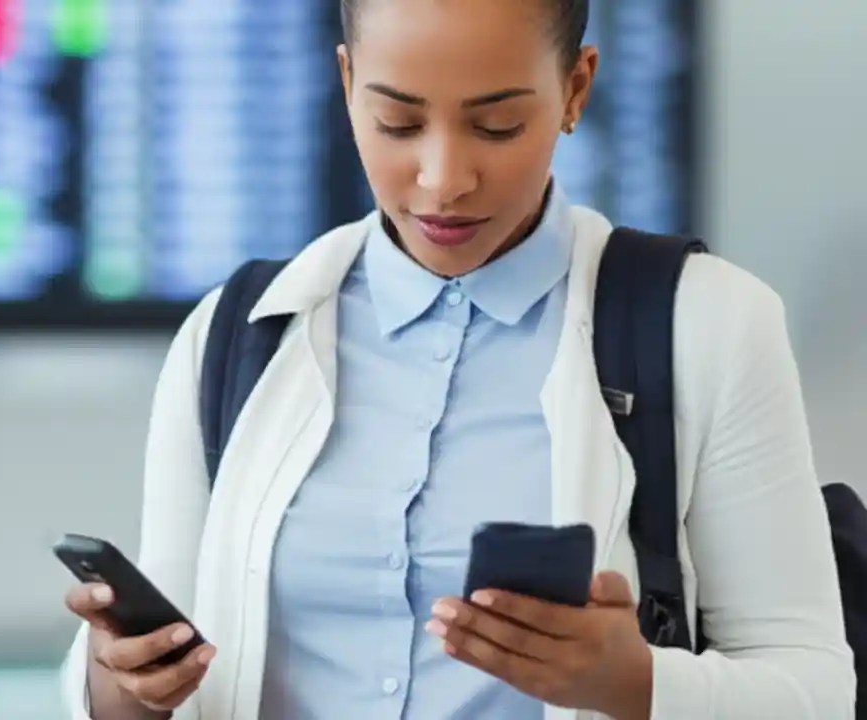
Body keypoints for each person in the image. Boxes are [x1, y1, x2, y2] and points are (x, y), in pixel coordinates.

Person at [61, 0, 855, 717]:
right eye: (398, 124)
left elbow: (815, 690)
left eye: (497, 126)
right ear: (346, 84)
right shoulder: (238, 334)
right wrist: (120, 680)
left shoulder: (709, 322)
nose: (444, 182)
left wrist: (634, 685)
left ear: (576, 89)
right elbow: (158, 683)